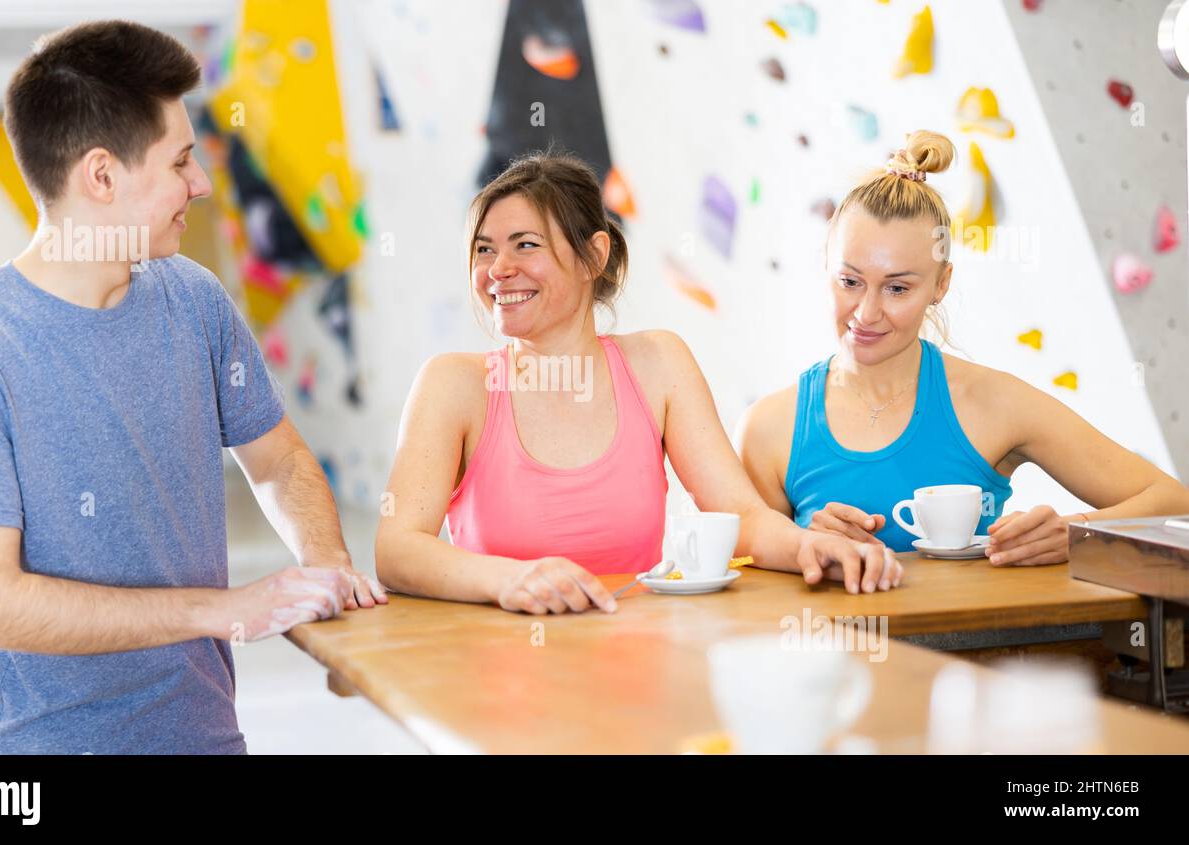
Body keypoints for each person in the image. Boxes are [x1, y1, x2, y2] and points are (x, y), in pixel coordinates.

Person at [0, 20, 384, 755]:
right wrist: (220, 609)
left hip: (206, 736)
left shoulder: (195, 299)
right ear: (102, 175)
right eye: (182, 160)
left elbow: (280, 460)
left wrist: (326, 564)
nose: (200, 183)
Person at [375, 152, 902, 616]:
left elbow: (740, 516)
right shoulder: (454, 385)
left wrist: (807, 548)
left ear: (593, 257)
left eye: (525, 245)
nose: (498, 270)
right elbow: (397, 548)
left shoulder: (659, 364)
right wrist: (509, 580)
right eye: (485, 250)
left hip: (637, 680)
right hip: (501, 687)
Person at [738, 130, 1189, 564]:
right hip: (834, 645)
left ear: (941, 284)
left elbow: (1174, 503)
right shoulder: (769, 428)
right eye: (850, 281)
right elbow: (745, 580)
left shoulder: (994, 403)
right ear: (826, 266)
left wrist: (1078, 533)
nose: (867, 312)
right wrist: (801, 548)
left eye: (897, 289)